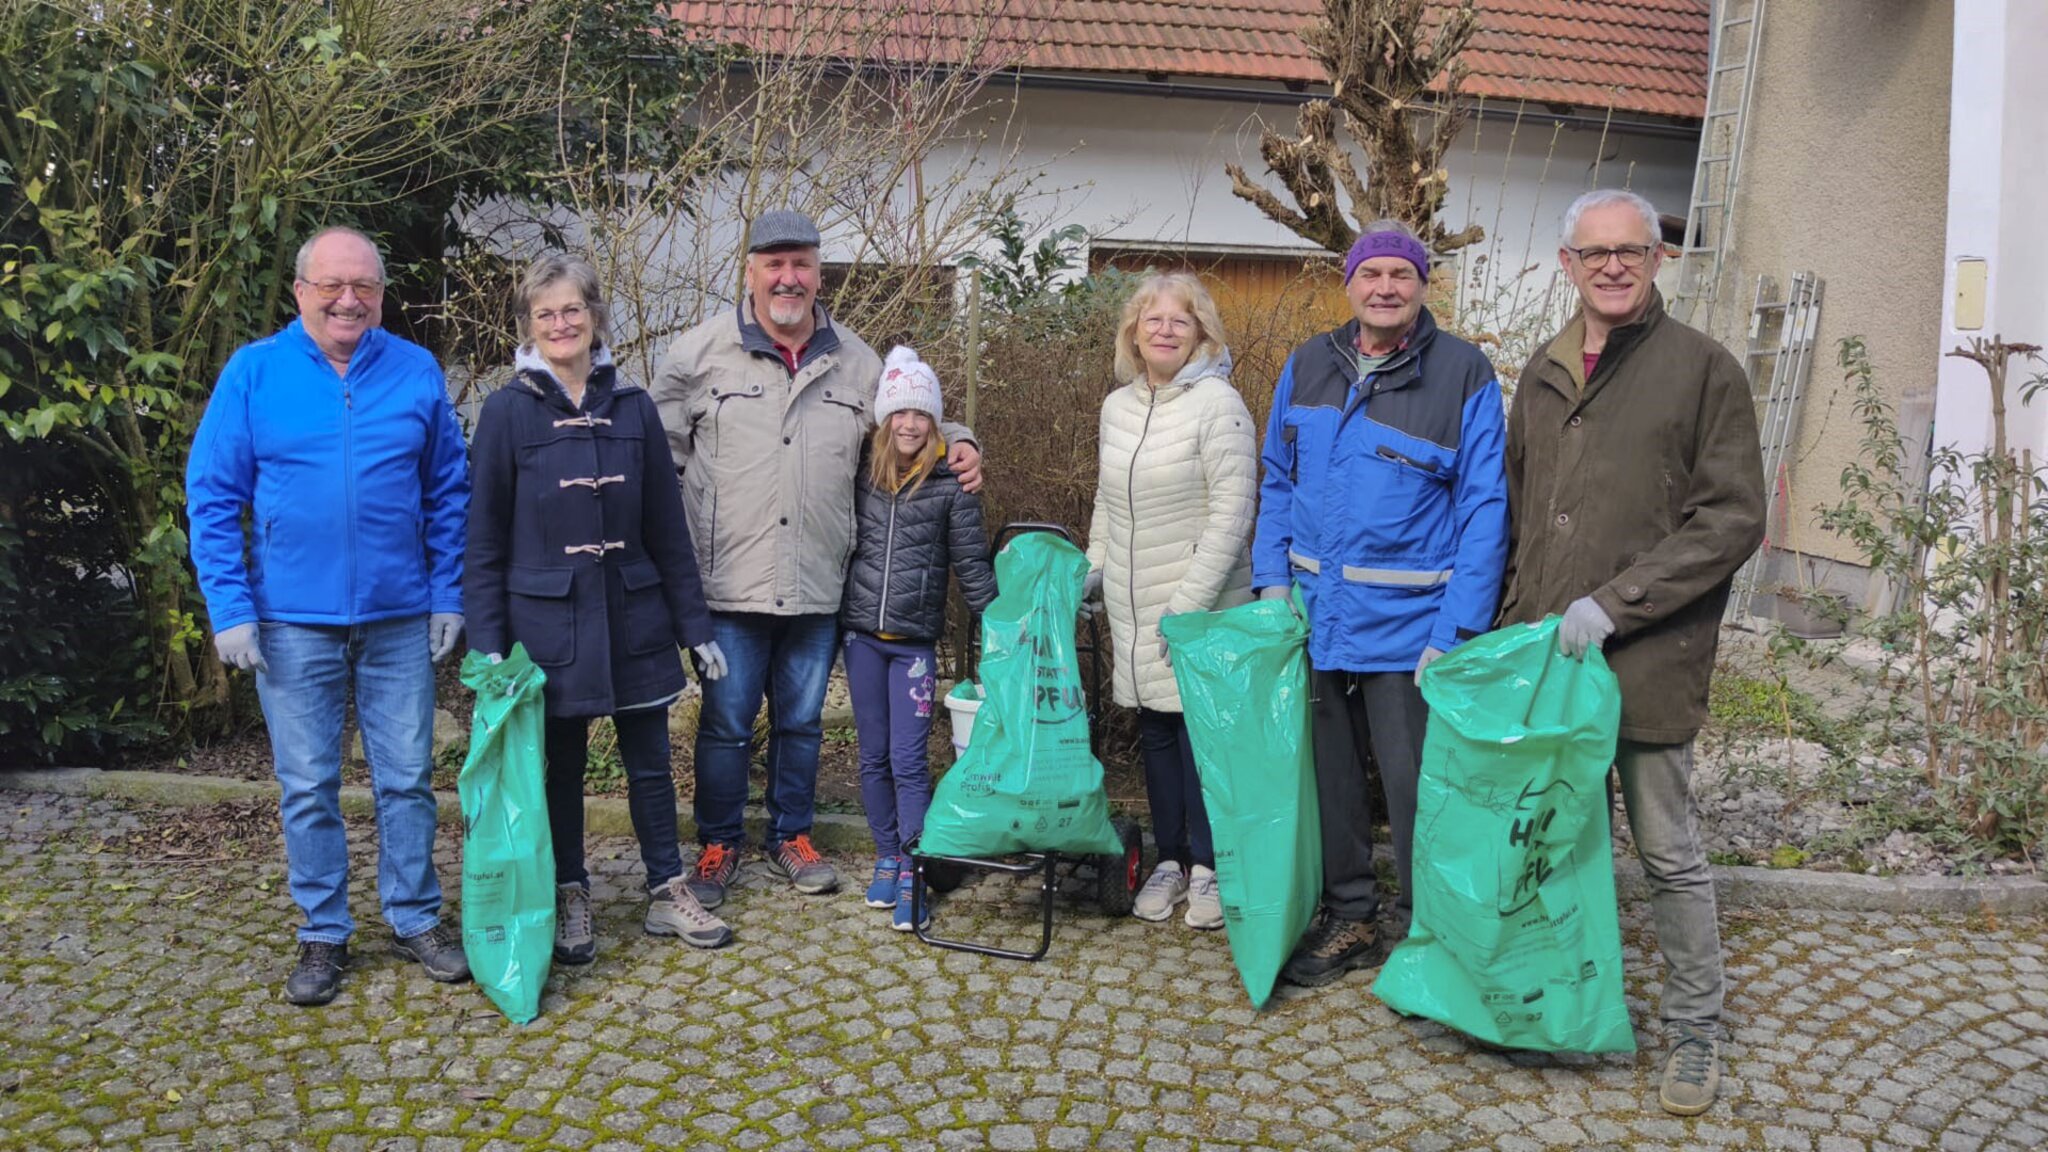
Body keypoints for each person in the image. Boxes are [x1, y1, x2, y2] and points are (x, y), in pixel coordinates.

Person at [1500, 188, 1764, 1116]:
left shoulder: (1704, 370)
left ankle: (1695, 1031)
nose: (1611, 266)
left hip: (1648, 657)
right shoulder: (1541, 371)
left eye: (1630, 250)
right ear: (1566, 265)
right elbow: (1520, 515)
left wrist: (1617, 605)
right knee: (1554, 848)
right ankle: (1560, 1004)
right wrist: (1504, 636)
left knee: (1667, 852)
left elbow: (1731, 518)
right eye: (1594, 252)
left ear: (1659, 260)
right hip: (1551, 660)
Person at [650, 210, 983, 912]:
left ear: (819, 274)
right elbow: (655, 457)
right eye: (774, 264)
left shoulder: (856, 361)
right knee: (726, 725)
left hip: (819, 584)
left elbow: (908, 417)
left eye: (800, 263)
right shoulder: (698, 354)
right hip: (729, 586)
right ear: (750, 272)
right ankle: (719, 843)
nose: (788, 278)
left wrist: (958, 438)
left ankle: (792, 836)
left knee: (801, 723)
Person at [186, 226, 471, 1006]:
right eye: (332, 285)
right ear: (300, 291)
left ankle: (415, 917)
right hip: (290, 621)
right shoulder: (254, 373)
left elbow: (450, 491)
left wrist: (447, 594)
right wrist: (230, 608)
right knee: (308, 786)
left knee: (407, 781)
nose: (349, 300)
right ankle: (323, 930)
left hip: (398, 618)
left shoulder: (415, 370)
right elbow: (212, 495)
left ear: (381, 293)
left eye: (365, 286)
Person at [1251, 219, 1509, 987]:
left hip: (1410, 634)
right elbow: (1277, 481)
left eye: (1402, 274)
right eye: (1372, 273)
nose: (1386, 287)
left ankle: (1436, 935)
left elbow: (1484, 508)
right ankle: (1352, 917)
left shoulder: (1462, 373)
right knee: (1331, 783)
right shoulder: (1309, 364)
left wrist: (1457, 629)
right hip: (1316, 620)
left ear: (1424, 286)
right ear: (1349, 283)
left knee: (1419, 790)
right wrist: (1272, 586)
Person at [464, 254, 734, 960]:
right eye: (545, 313)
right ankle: (570, 893)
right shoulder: (506, 411)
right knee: (561, 768)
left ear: (594, 317)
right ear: (528, 325)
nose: (561, 323)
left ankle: (667, 889)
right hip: (545, 626)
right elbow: (483, 538)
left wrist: (695, 627)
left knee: (651, 764)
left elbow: (667, 530)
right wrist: (487, 642)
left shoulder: (635, 406)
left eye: (572, 310)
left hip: (634, 617)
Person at [1082, 272, 1257, 930]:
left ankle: (1211, 867)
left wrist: (1187, 603)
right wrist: (1093, 572)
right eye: (1152, 319)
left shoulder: (1218, 405)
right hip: (1135, 603)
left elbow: (1234, 513)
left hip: (1197, 606)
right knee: (1155, 728)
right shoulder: (1117, 407)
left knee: (1199, 735)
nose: (1164, 330)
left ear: (1200, 333)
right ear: (1133, 332)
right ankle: (1171, 859)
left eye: (1180, 320)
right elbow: (1107, 500)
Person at [838, 346, 999, 932]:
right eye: (900, 413)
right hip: (861, 639)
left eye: (921, 415)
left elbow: (972, 566)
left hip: (913, 647)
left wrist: (1001, 630)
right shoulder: (861, 473)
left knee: (908, 761)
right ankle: (886, 855)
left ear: (936, 421)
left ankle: (914, 867)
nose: (909, 425)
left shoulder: (951, 484)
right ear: (885, 418)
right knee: (873, 757)